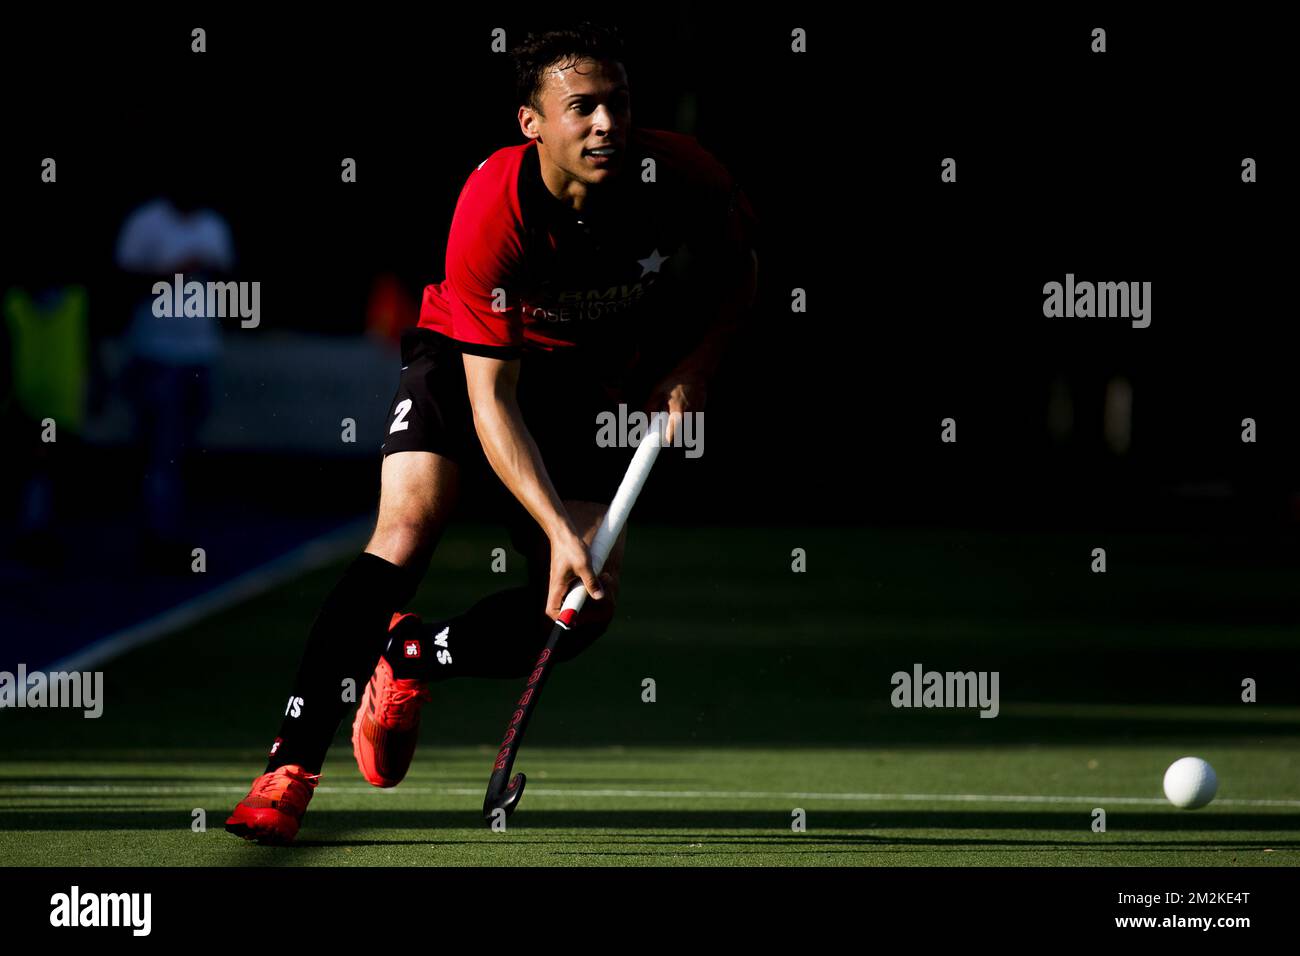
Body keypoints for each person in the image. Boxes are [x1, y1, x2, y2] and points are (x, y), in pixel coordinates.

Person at [226, 22, 758, 844]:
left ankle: (411, 659)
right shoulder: (493, 208)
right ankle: (287, 769)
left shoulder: (683, 175)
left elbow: (738, 270)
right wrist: (555, 528)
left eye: (617, 104)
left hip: (586, 380)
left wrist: (698, 366)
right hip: (469, 360)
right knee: (404, 530)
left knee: (585, 604)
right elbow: (491, 402)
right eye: (581, 108)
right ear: (532, 122)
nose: (606, 125)